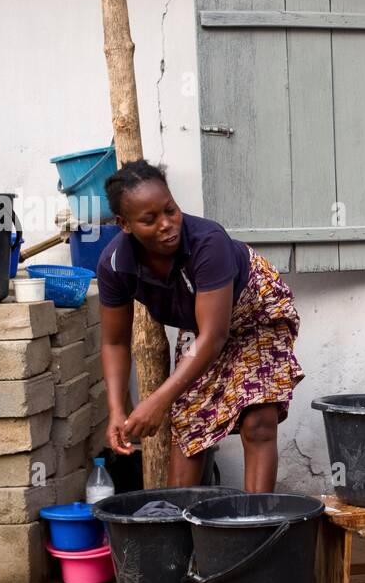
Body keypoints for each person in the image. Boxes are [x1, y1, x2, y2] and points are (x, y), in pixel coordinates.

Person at [95, 160, 304, 491]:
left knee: (258, 421)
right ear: (125, 224)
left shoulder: (209, 242)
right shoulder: (115, 265)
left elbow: (214, 337)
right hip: (202, 328)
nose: (166, 225)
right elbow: (115, 342)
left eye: (170, 210)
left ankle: (254, 529)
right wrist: (117, 409)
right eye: (149, 220)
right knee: (191, 424)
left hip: (254, 314)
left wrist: (157, 401)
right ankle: (180, 527)